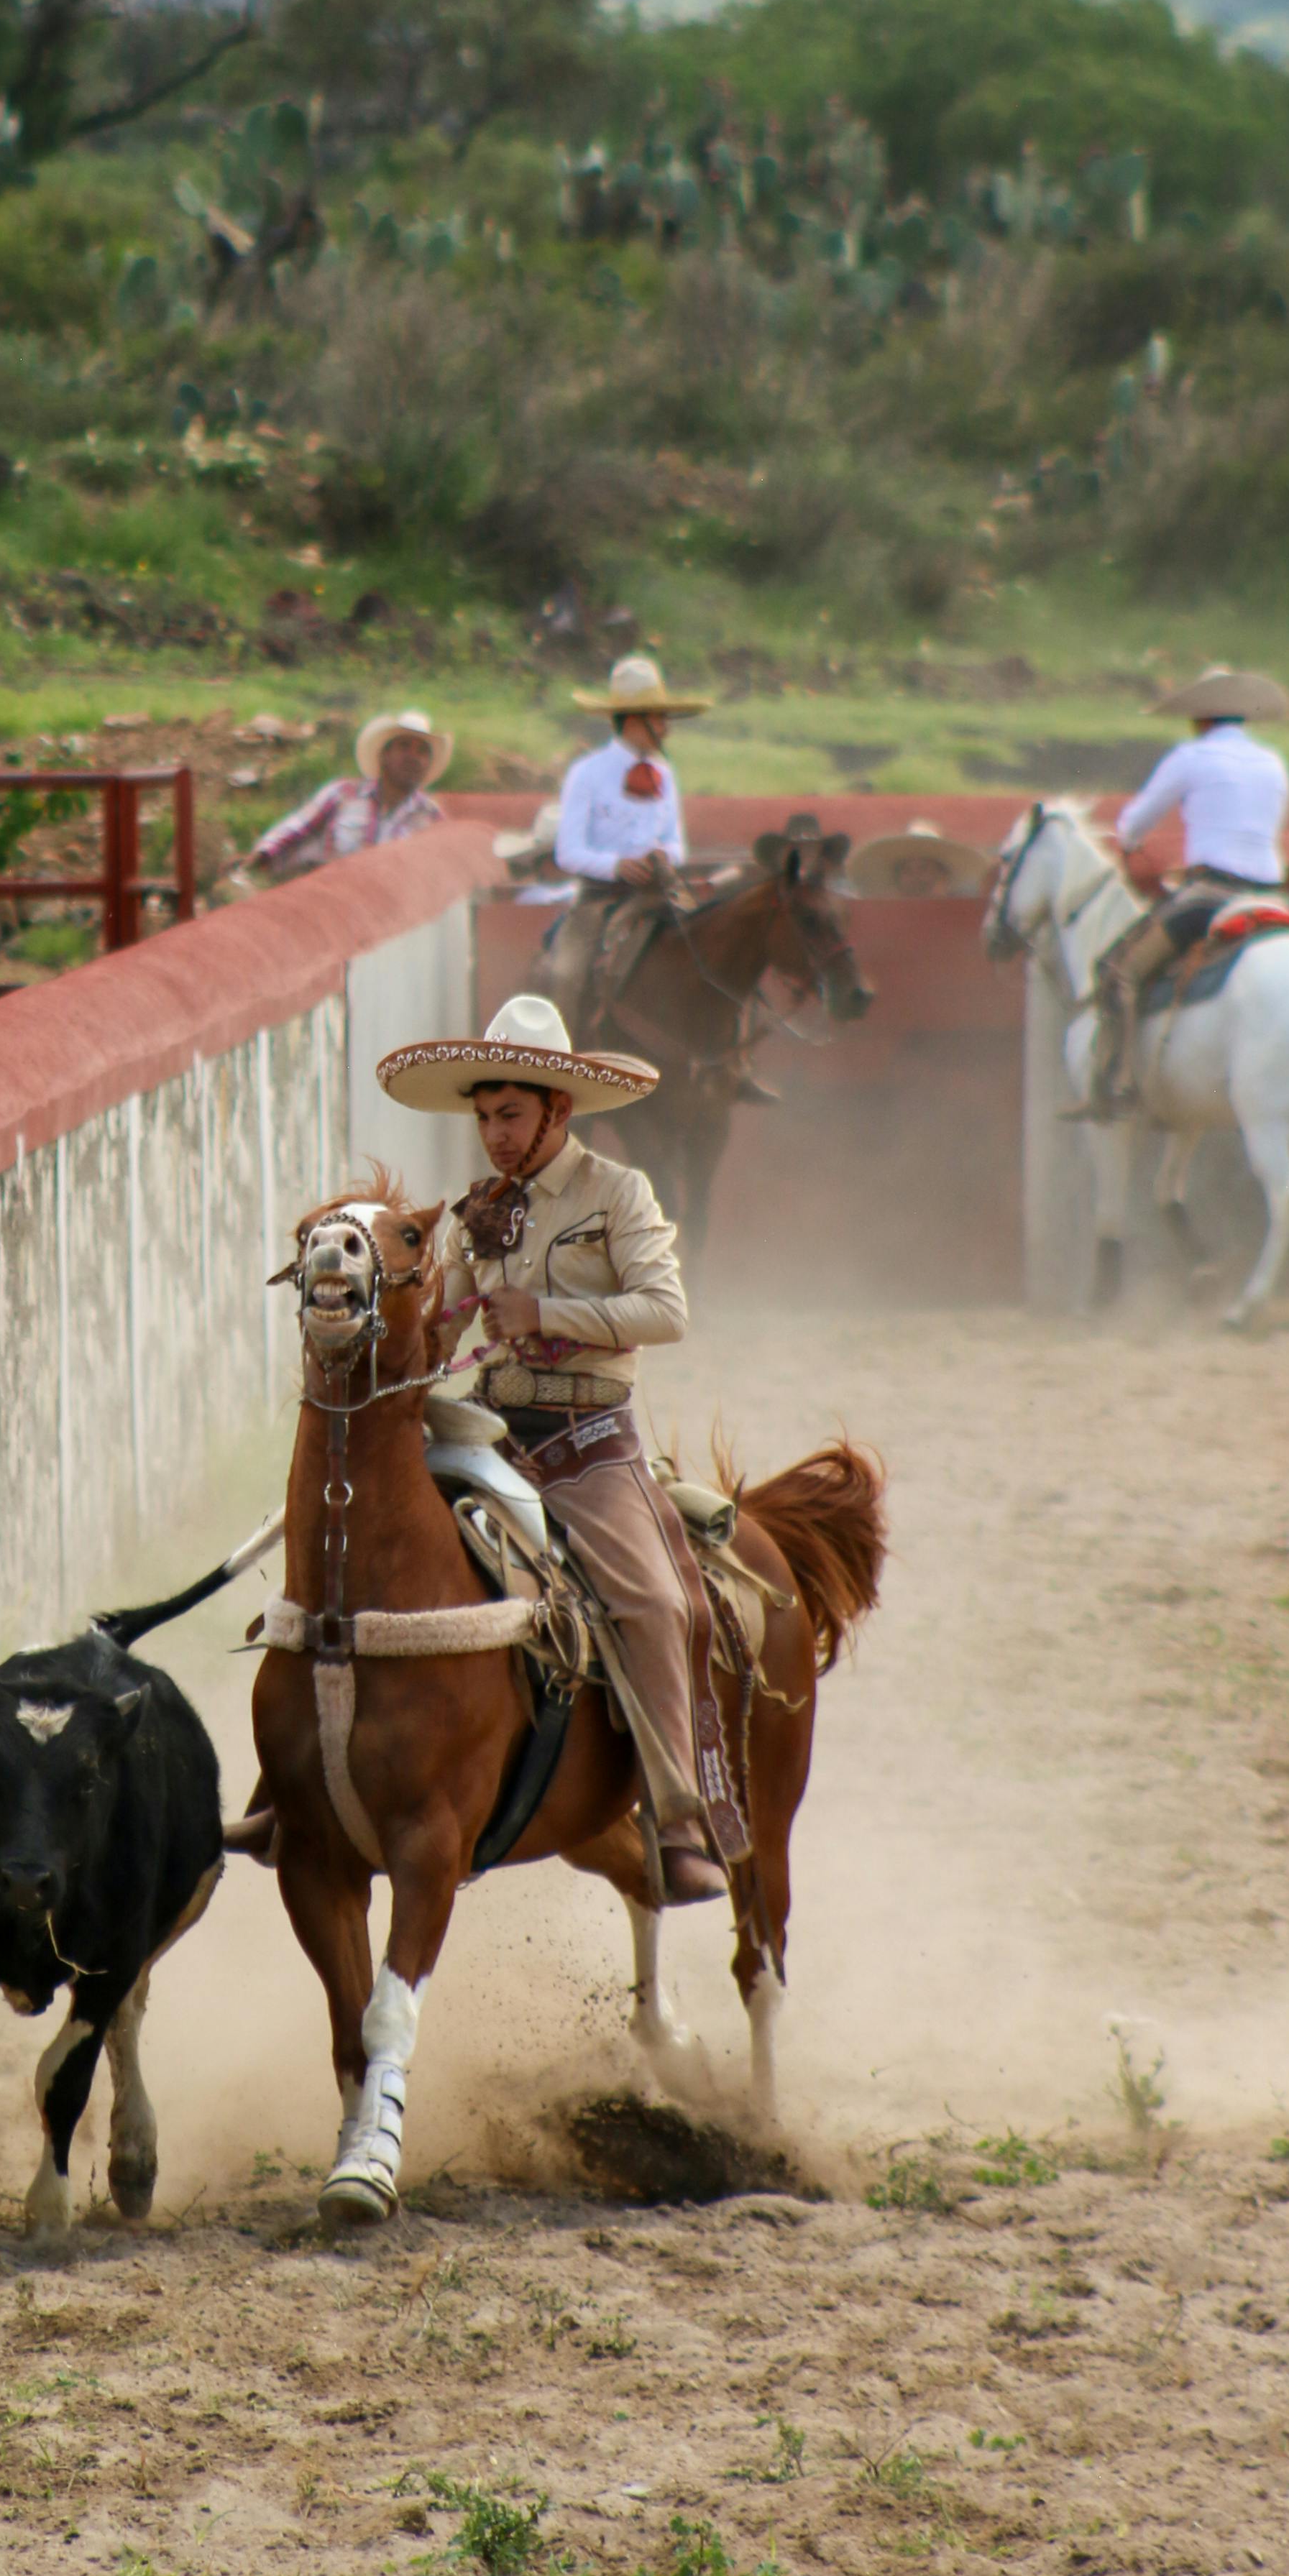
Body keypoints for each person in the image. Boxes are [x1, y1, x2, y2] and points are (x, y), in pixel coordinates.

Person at [376, 993, 744, 1912]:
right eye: (483, 1116)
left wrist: (547, 1315)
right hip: (489, 1433)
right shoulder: (471, 1211)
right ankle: (308, 1788)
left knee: (657, 1602)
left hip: (589, 1449)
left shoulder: (619, 1194)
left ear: (557, 1111)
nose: (494, 1135)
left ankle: (676, 1819)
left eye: (510, 1115)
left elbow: (667, 1312)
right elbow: (444, 1319)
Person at [1070, 665, 1289, 1120]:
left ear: (1200, 719)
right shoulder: (1273, 762)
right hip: (1271, 898)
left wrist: (1129, 841)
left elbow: (1133, 824)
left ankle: (1120, 1085)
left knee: (1120, 973)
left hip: (1210, 895)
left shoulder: (1190, 758)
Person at [534, 654, 710, 1034]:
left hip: (659, 892)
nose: (666, 729)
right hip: (600, 900)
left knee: (716, 955)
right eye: (660, 718)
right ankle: (565, 1060)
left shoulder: (666, 773)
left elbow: (677, 844)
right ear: (634, 719)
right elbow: (569, 852)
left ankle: (728, 1064)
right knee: (566, 976)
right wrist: (617, 865)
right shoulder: (586, 773)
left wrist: (664, 856)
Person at [239, 707, 452, 883]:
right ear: (385, 756)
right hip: (331, 905)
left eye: (422, 752)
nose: (413, 758)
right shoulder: (342, 795)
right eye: (404, 747)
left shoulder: (431, 818)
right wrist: (259, 857)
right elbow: (296, 828)